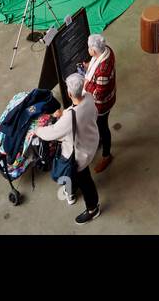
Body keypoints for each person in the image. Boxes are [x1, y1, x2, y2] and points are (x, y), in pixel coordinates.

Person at [34, 73, 102, 224]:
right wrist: (64, 114)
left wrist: (36, 129)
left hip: (80, 155)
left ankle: (93, 208)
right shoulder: (89, 98)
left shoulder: (70, 117)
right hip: (92, 142)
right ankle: (71, 191)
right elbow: (83, 113)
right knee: (79, 176)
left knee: (84, 181)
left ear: (69, 93)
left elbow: (50, 133)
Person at [84, 33, 117, 173]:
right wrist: (88, 68)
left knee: (102, 126)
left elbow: (99, 93)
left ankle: (106, 155)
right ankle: (101, 141)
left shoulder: (102, 71)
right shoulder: (107, 50)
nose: (88, 51)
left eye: (89, 48)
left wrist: (84, 88)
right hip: (106, 98)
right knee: (99, 125)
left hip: (102, 104)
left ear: (94, 51)